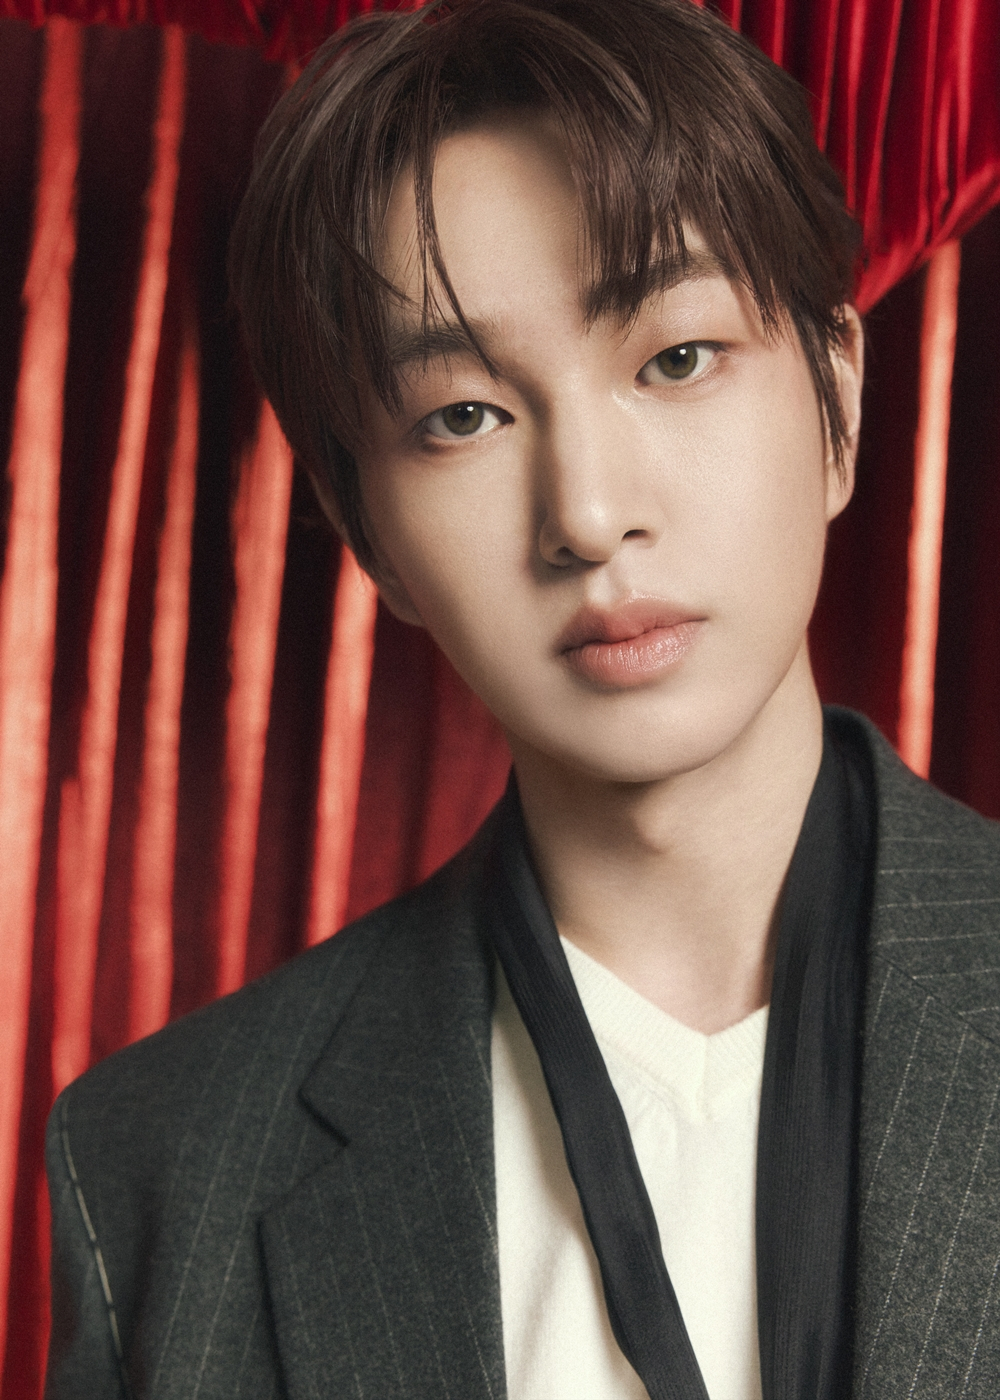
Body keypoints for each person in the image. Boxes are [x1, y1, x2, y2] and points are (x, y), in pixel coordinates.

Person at [45, 1, 1000, 1397]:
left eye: (676, 358)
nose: (590, 514)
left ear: (837, 404)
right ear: (368, 538)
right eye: (464, 417)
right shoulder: (163, 1168)